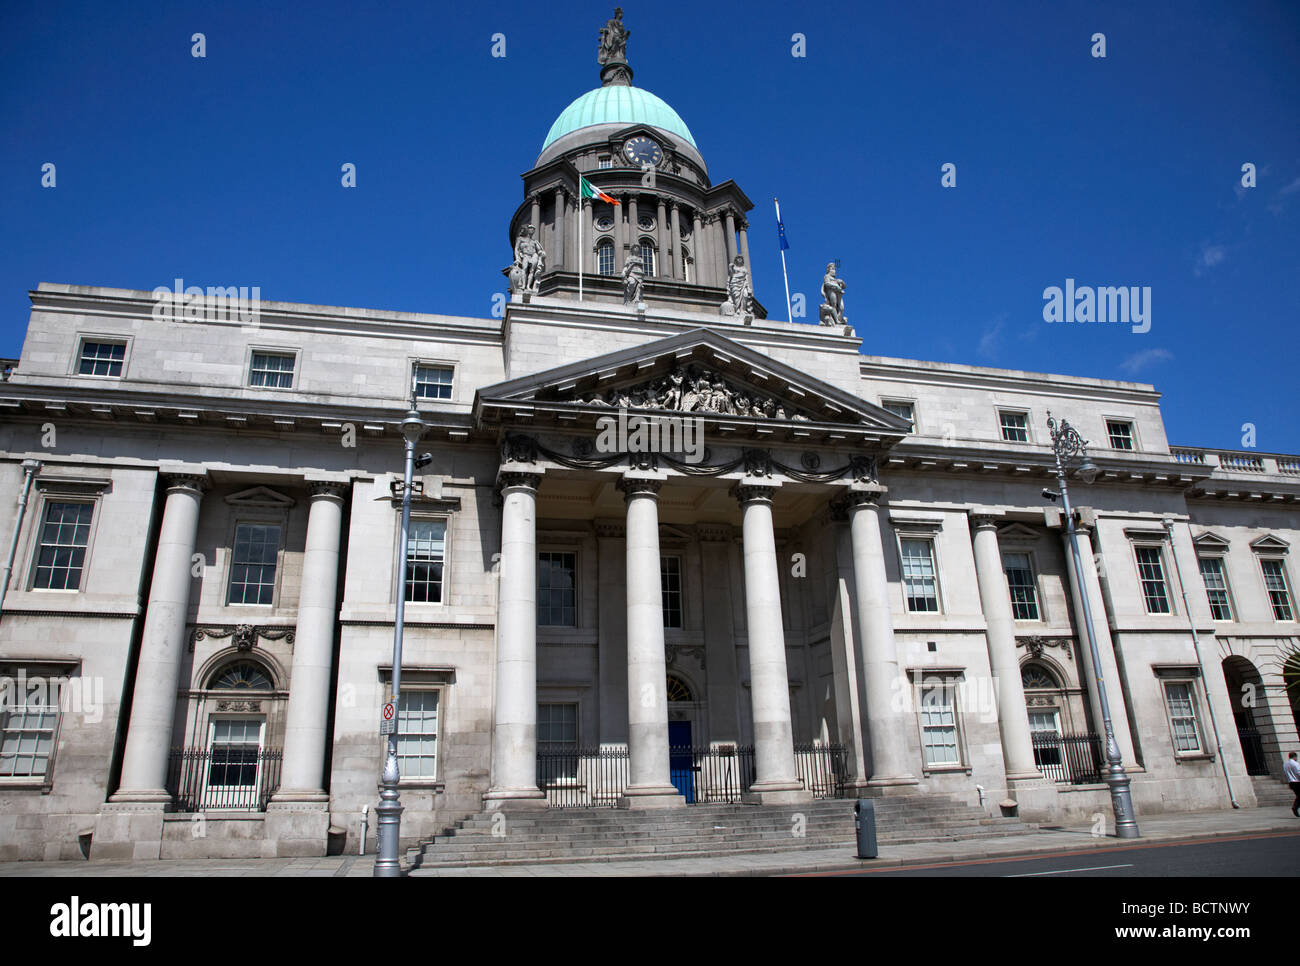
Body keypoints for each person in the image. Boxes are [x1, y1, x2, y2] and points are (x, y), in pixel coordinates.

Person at [1286, 751, 1300, 817]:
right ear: (1294, 757)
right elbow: (1298, 772)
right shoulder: (1295, 764)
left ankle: (1295, 807)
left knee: (1298, 796)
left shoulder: (1285, 764)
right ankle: (1295, 807)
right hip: (1297, 782)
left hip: (1291, 782)